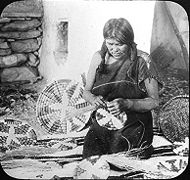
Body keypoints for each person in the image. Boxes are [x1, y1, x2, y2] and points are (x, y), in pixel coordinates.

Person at [82, 18, 163, 159]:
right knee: (91, 150)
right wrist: (93, 98)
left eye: (119, 45)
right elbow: (86, 92)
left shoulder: (143, 61)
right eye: (110, 44)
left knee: (121, 152)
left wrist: (127, 103)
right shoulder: (98, 58)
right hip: (104, 120)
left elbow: (154, 101)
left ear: (129, 42)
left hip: (134, 122)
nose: (114, 49)